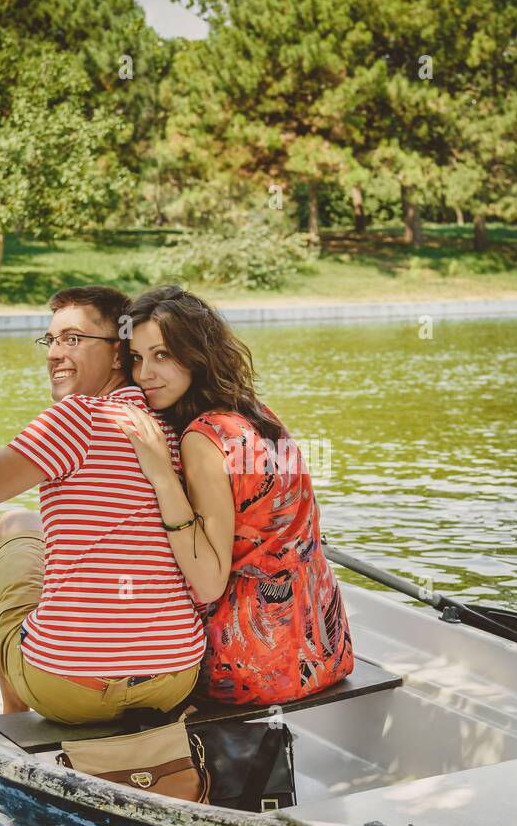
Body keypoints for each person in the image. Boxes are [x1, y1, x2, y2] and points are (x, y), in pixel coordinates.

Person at [0, 285, 206, 721]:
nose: (54, 353)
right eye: (51, 340)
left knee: (11, 524)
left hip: (66, 688)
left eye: (73, 339)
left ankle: (14, 712)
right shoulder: (180, 422)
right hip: (174, 677)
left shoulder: (79, 417)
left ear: (119, 354)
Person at [117, 285, 354, 707]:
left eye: (162, 355)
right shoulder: (257, 414)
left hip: (248, 668)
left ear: (197, 354)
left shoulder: (201, 439)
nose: (143, 375)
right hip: (322, 649)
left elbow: (208, 583)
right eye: (136, 358)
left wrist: (160, 475)